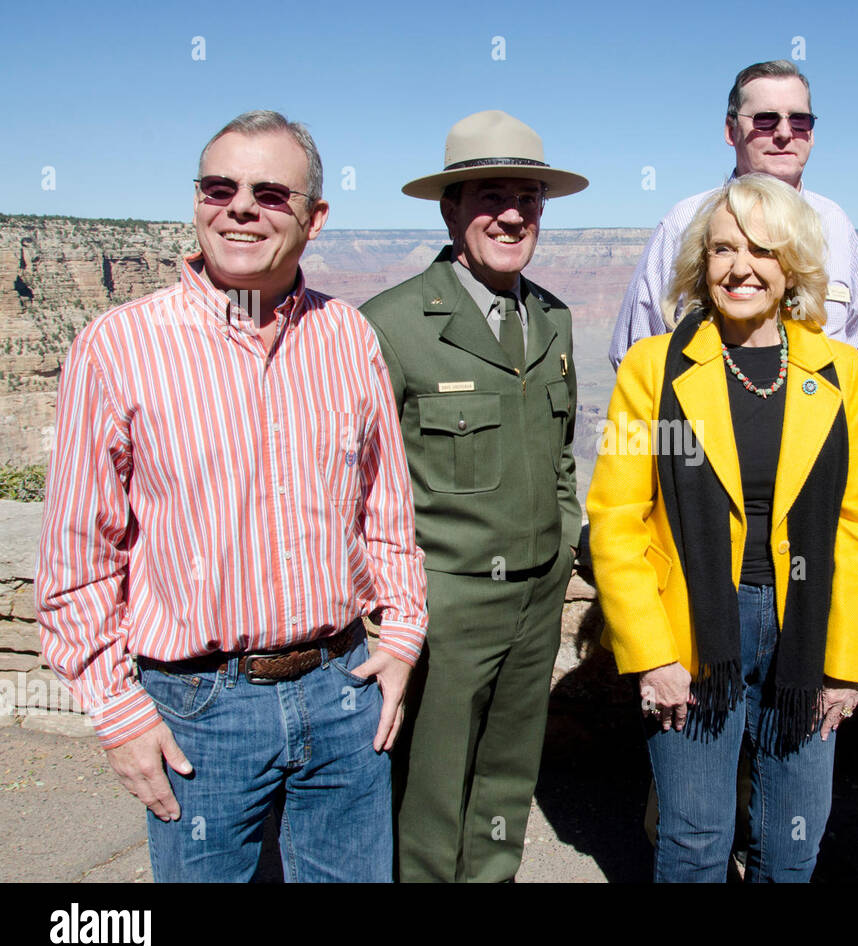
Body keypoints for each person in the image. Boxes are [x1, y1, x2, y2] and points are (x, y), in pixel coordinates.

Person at [34, 110, 427, 882]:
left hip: (343, 684)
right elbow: (79, 555)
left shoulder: (348, 336)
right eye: (221, 186)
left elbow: (385, 507)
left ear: (315, 218)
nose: (241, 206)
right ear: (198, 201)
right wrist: (117, 712)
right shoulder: (116, 346)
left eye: (271, 193)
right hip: (199, 708)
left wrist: (403, 636)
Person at [588, 172, 858, 882]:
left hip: (801, 628)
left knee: (793, 843)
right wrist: (652, 653)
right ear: (700, 262)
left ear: (794, 266)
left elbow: (853, 526)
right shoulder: (654, 369)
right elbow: (617, 518)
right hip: (692, 631)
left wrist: (844, 663)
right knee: (693, 839)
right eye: (722, 249)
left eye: (762, 249)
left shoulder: (842, 374)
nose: (740, 266)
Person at [360, 110, 586, 883]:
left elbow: (560, 458)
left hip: (536, 596)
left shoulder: (552, 318)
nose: (513, 213)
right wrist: (392, 603)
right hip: (445, 602)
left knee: (507, 779)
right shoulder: (392, 326)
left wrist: (562, 540)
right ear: (451, 208)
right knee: (429, 789)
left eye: (528, 196)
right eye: (491, 195)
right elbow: (354, 482)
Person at [609, 59, 858, 370]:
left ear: (812, 133)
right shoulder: (683, 223)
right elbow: (634, 357)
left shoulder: (836, 225)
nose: (785, 133)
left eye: (799, 120)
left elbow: (854, 349)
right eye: (765, 120)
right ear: (731, 130)